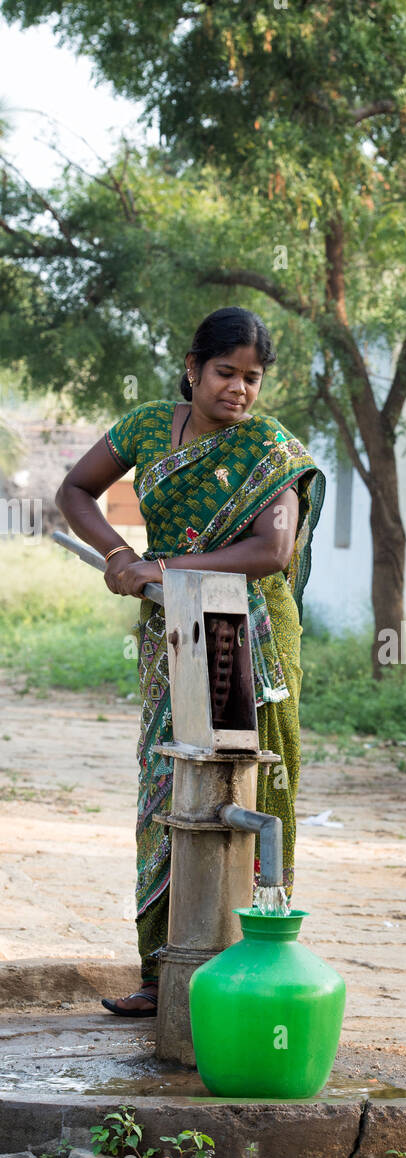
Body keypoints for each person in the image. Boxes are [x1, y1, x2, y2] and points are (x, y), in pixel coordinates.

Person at [55, 306, 325, 1016]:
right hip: (175, 632)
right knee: (167, 783)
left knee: (249, 787)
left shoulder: (271, 450)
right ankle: (159, 973)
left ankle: (253, 973)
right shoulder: (148, 427)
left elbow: (272, 551)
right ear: (192, 369)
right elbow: (73, 490)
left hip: (251, 634)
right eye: (225, 373)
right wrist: (118, 554)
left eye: (252, 378)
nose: (239, 389)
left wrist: (161, 566)